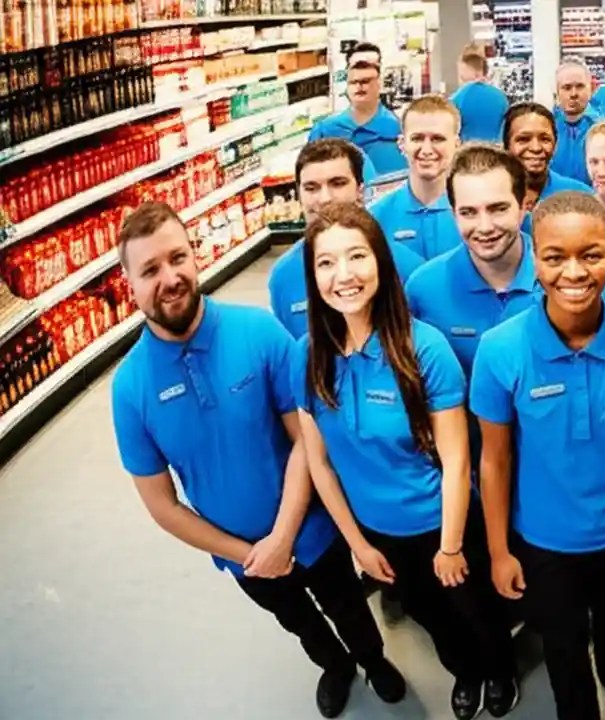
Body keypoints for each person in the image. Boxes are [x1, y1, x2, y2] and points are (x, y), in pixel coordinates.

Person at [109, 202, 404, 719]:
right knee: (299, 622)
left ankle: (373, 659)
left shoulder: (259, 333)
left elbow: (306, 440)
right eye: (150, 269)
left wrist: (283, 537)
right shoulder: (130, 388)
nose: (170, 278)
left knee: (347, 605)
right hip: (242, 556)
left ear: (194, 256)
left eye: (177, 258)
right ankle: (335, 667)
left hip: (314, 529)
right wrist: (250, 555)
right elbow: (162, 506)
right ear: (127, 282)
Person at [292, 202, 520, 720]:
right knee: (427, 615)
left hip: (443, 524)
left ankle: (499, 670)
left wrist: (451, 546)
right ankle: (465, 671)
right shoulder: (307, 356)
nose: (344, 275)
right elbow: (319, 462)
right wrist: (358, 544)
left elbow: (457, 462)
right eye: (326, 262)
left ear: (380, 262)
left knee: (476, 610)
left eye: (356, 256)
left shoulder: (424, 350)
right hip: (377, 533)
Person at [470, 192, 605, 720]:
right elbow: (494, 461)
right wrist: (499, 551)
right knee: (562, 648)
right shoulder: (500, 349)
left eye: (592, 254)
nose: (574, 272)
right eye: (555, 257)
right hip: (543, 542)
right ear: (534, 258)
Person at [404, 144, 541, 376]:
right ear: (453, 214)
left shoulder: (560, 279)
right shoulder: (423, 289)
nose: (484, 227)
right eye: (468, 212)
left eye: (498, 209)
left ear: (523, 207)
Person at [268, 139, 425, 339]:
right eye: (311, 188)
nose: (325, 198)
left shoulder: (406, 266)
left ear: (360, 191)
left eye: (337, 184)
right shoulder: (283, 276)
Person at [368, 95, 465, 261]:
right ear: (402, 144)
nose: (426, 149)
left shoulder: (477, 212)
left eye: (437, 139)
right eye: (417, 138)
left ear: (456, 145)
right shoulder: (376, 217)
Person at [308, 43, 407, 178]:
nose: (359, 86)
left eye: (365, 81)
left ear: (380, 83)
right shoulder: (325, 131)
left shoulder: (399, 129)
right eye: (353, 82)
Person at [504, 102, 593, 235]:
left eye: (545, 139)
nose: (536, 148)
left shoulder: (580, 197)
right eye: (524, 139)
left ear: (555, 145)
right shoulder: (489, 198)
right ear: (506, 146)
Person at [551, 58, 601, 186]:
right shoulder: (546, 129)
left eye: (579, 86)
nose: (573, 94)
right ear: (557, 92)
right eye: (567, 88)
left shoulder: (603, 130)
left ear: (591, 89)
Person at [452, 48, 509, 143]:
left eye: (462, 76)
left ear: (477, 74)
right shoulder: (501, 97)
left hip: (467, 149)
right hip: (495, 149)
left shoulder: (459, 98)